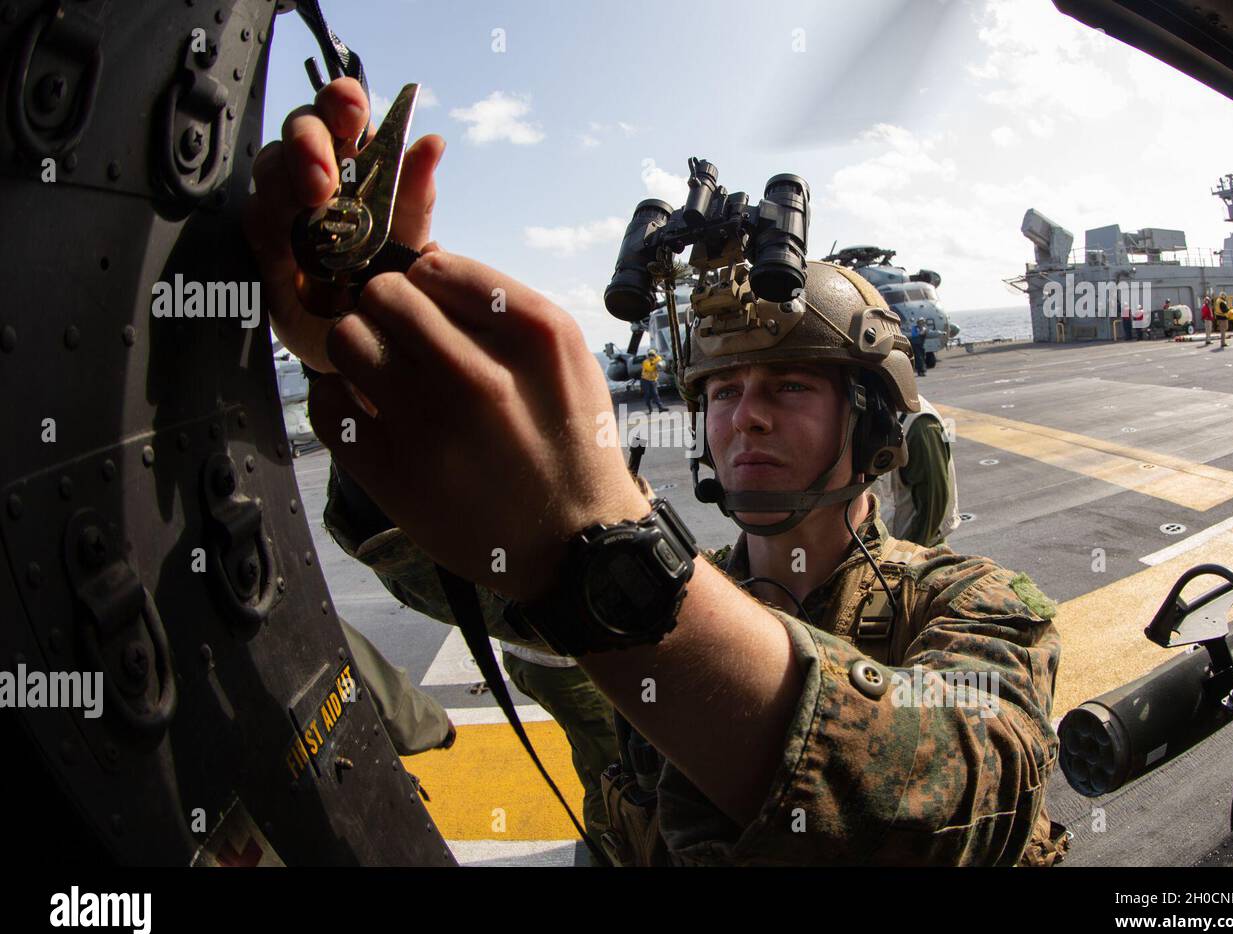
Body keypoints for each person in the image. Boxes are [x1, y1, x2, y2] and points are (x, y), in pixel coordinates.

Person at [245, 77, 1066, 866]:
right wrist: (355, 359)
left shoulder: (975, 603)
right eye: (723, 391)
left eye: (788, 386)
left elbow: (962, 801)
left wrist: (612, 571)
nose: (746, 414)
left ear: (876, 419)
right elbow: (455, 554)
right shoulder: (663, 580)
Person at [874, 395, 961, 547]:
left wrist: (909, 555)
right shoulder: (878, 408)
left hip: (916, 549)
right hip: (889, 547)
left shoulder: (919, 424)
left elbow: (933, 502)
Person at [640, 348, 667, 413]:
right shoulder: (645, 362)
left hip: (653, 380)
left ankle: (660, 408)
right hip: (645, 380)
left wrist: (655, 356)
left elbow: (659, 358)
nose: (651, 356)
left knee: (655, 394)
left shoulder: (657, 359)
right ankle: (650, 409)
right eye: (650, 355)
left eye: (652, 355)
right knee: (647, 395)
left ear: (655, 355)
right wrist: (655, 364)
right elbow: (650, 369)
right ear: (648, 356)